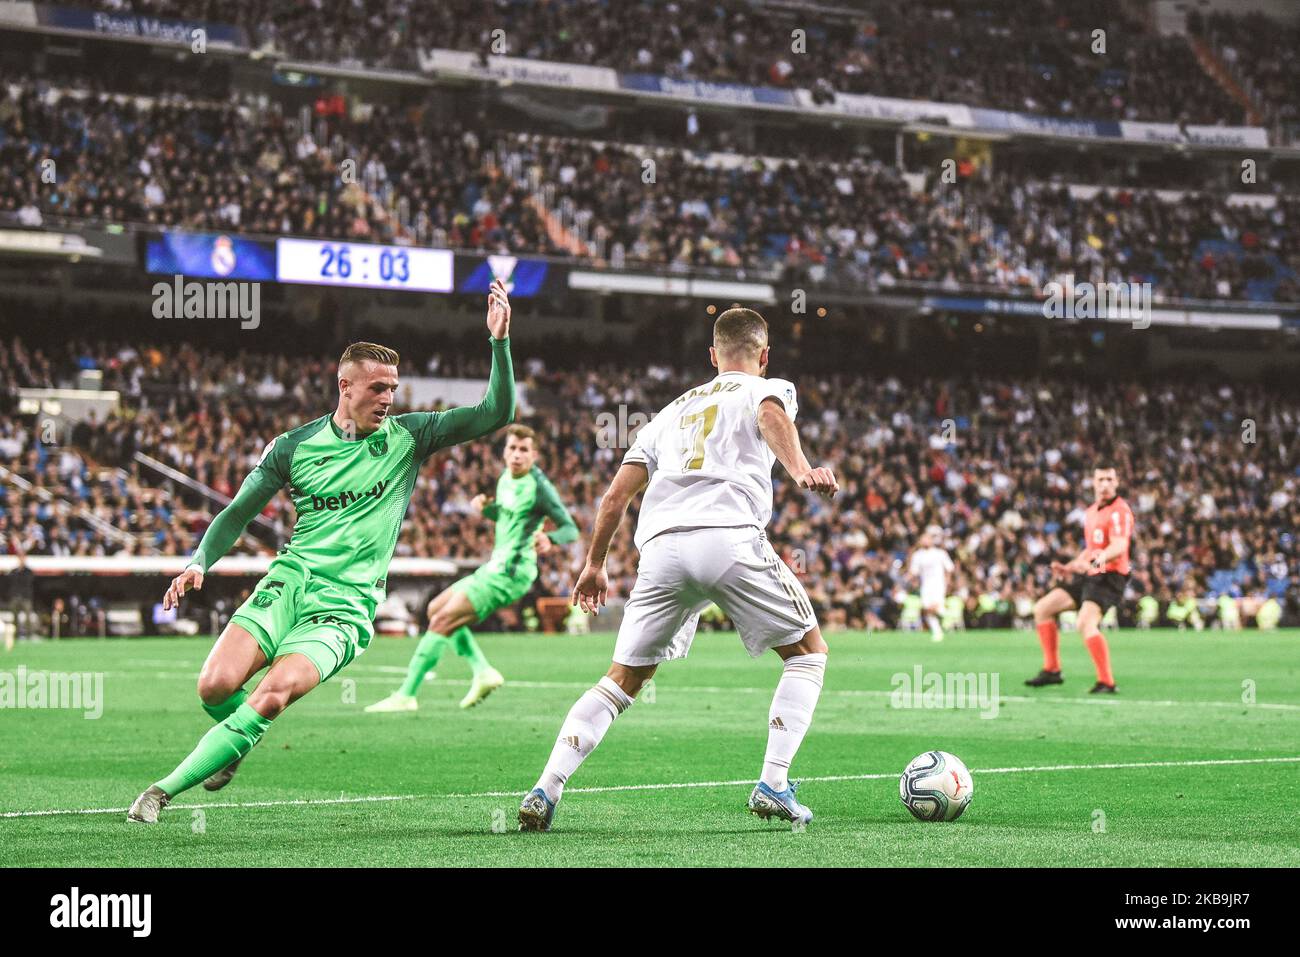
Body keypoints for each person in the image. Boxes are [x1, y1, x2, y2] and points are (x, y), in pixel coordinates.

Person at [126, 280, 515, 823]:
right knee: (215, 686)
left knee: (274, 693)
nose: (388, 399)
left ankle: (159, 793)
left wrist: (498, 344)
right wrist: (198, 563)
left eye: (393, 389)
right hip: (290, 581)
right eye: (378, 388)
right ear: (344, 386)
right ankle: (235, 740)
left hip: (346, 606)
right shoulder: (293, 448)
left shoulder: (410, 437)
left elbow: (495, 412)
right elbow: (238, 512)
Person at [517, 307, 839, 831]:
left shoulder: (668, 413)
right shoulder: (767, 387)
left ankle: (545, 788)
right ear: (763, 355)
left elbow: (615, 496)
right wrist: (801, 470)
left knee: (621, 681)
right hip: (727, 536)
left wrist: (594, 564)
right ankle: (773, 783)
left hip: (662, 549)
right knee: (808, 655)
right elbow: (771, 416)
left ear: (712, 356)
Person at [366, 424, 577, 712]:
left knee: (442, 621)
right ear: (505, 451)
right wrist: (488, 510)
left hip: (511, 574)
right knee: (435, 609)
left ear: (535, 455)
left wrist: (549, 538)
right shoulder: (505, 479)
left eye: (524, 450)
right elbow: (507, 518)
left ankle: (407, 695)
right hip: (494, 566)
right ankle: (482, 671)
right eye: (512, 448)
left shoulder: (540, 488)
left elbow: (570, 528)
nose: (517, 455)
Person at [1026, 464, 1133, 694]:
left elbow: (1120, 545)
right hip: (1092, 573)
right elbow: (1091, 549)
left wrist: (1099, 559)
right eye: (1100, 479)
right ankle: (1052, 670)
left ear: (1116, 482)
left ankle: (1107, 682)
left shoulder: (1120, 511)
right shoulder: (1092, 511)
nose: (1104, 484)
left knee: (1085, 623)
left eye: (1109, 479)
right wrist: (1071, 566)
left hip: (1110, 575)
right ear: (1093, 483)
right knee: (1043, 609)